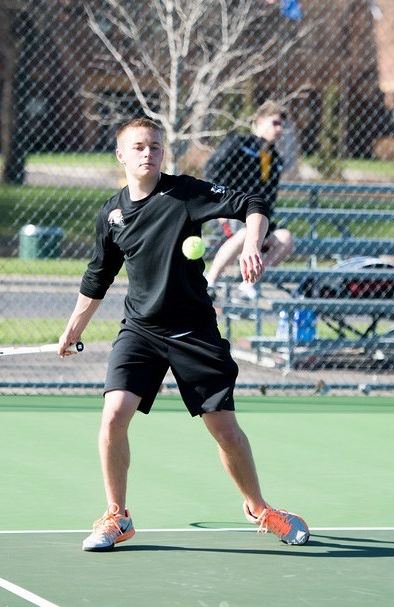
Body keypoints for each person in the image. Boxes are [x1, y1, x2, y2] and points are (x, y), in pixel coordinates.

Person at [57, 117, 309, 552]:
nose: (148, 153)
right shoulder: (112, 214)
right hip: (141, 329)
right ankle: (117, 515)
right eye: (138, 147)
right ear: (121, 155)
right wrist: (72, 330)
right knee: (114, 414)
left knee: (225, 432)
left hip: (194, 329)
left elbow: (253, 203)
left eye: (155, 146)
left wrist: (252, 244)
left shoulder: (185, 194)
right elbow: (97, 277)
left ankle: (259, 508)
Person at [204, 101, 295, 300]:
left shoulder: (274, 158)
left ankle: (248, 283)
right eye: (275, 123)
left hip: (259, 220)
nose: (280, 129)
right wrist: (219, 205)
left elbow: (268, 198)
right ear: (260, 121)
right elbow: (211, 170)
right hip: (230, 214)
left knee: (285, 239)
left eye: (282, 125)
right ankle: (210, 282)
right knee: (248, 233)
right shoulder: (238, 144)